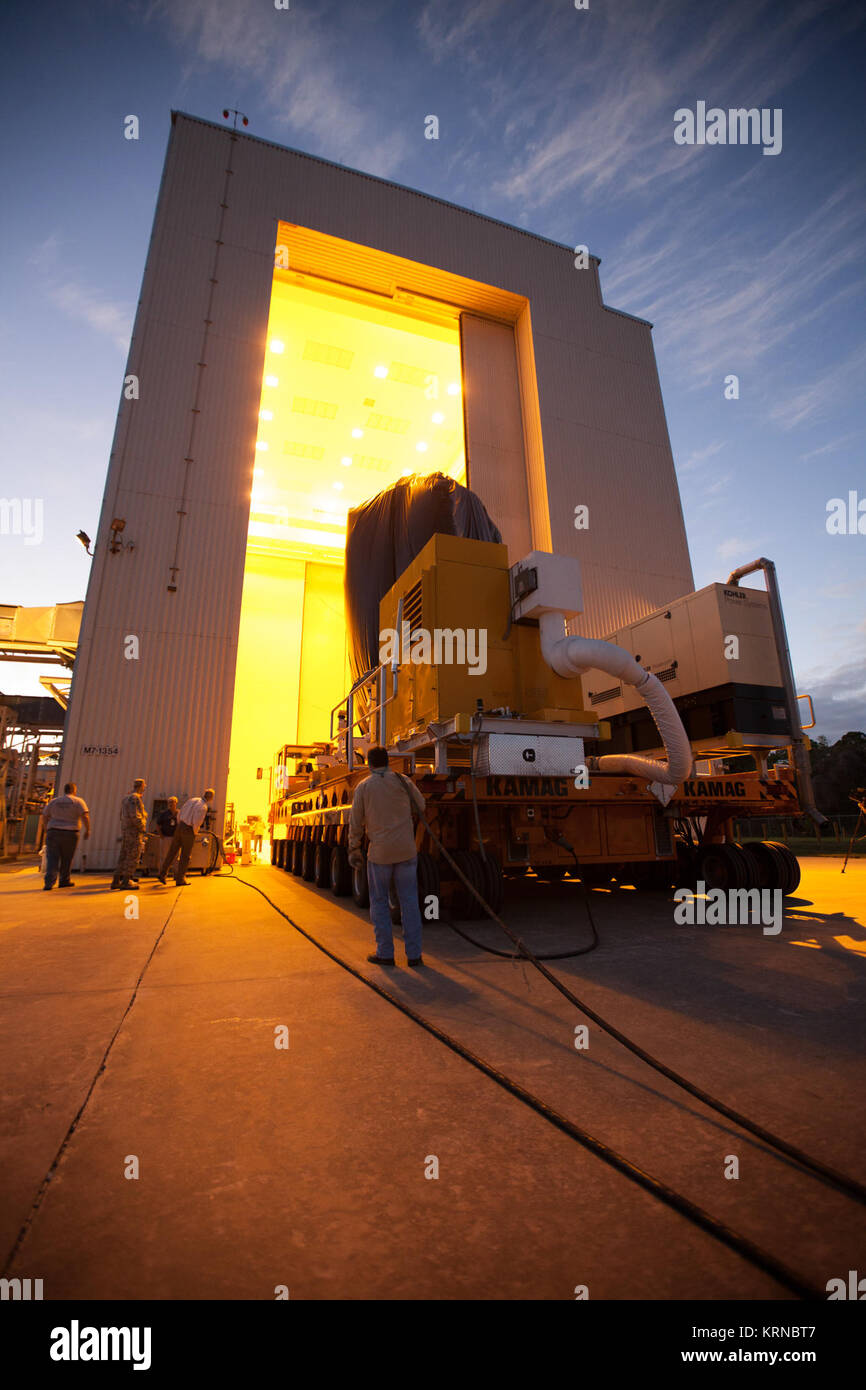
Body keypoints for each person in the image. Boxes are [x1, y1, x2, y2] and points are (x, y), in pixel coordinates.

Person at [348, 747, 426, 967]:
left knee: (380, 902)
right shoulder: (403, 781)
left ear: (370, 764)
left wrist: (353, 848)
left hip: (380, 855)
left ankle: (385, 953)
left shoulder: (363, 787)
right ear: (388, 762)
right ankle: (414, 955)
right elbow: (421, 805)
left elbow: (355, 822)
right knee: (409, 902)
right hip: (406, 851)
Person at [158, 789, 214, 886]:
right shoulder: (203, 807)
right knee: (185, 855)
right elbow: (197, 821)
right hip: (189, 830)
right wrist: (195, 832)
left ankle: (162, 873)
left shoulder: (192, 800)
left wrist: (180, 825)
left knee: (172, 851)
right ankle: (180, 879)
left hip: (180, 827)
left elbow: (180, 813)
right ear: (210, 798)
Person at [41, 782, 90, 890]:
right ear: (74, 790)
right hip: (70, 833)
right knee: (67, 858)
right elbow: (85, 816)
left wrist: (46, 829)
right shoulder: (78, 801)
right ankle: (64, 880)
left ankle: (49, 883)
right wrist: (87, 830)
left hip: (53, 832)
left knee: (52, 858)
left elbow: (44, 815)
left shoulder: (54, 801)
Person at [111, 778, 148, 890]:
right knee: (133, 856)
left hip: (127, 831)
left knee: (123, 856)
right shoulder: (134, 798)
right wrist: (142, 828)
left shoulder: (126, 798)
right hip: (134, 832)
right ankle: (126, 881)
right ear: (140, 786)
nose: (145, 788)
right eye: (144, 786)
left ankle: (116, 880)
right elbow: (135, 816)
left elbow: (121, 815)